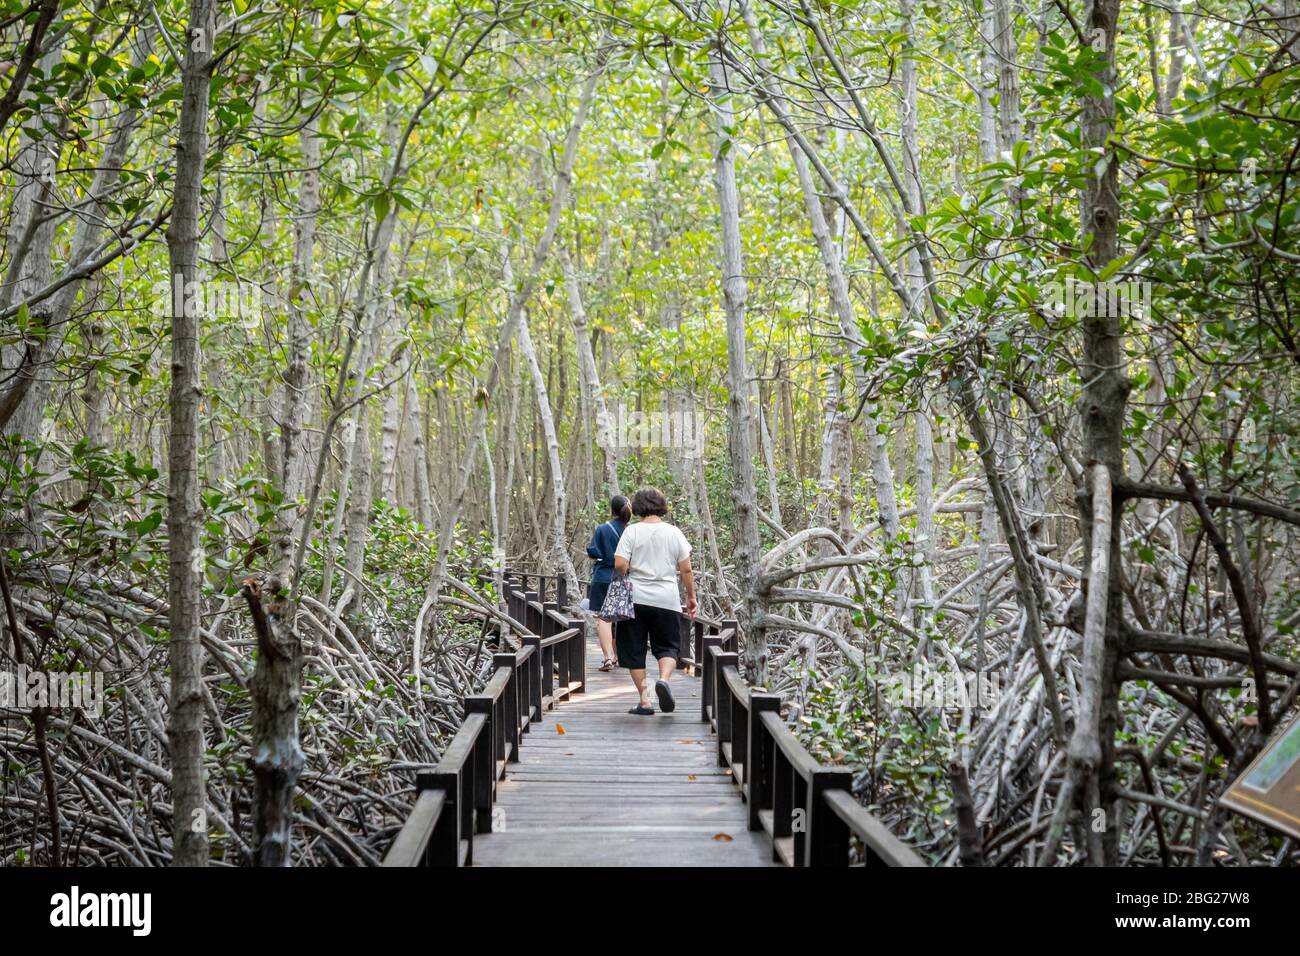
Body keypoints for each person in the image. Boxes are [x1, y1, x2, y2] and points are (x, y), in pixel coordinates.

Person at [613, 487, 697, 715]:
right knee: (668, 646)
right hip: (666, 598)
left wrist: (630, 572)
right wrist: (691, 597)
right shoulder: (674, 532)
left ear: (638, 507)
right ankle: (664, 680)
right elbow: (686, 569)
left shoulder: (631, 532)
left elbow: (620, 564)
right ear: (662, 506)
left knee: (633, 649)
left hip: (635, 599)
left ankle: (645, 701)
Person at [585, 494, 630, 671]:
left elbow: (593, 551)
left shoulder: (603, 529)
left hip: (603, 577)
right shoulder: (631, 530)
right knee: (621, 618)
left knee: (604, 619)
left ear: (611, 510)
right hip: (623, 578)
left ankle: (608, 658)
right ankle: (619, 656)